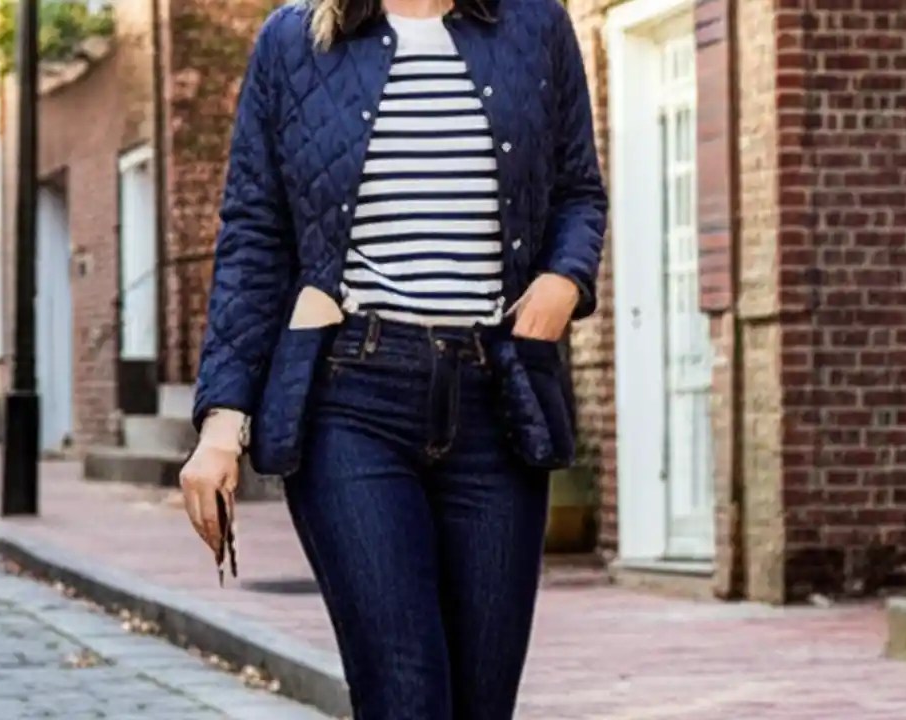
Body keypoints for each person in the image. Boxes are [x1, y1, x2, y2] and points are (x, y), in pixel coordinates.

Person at [178, 0, 606, 715]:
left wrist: (566, 278)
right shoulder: (294, 42)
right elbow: (254, 235)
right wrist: (223, 422)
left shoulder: (536, 25)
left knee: (482, 701)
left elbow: (578, 191)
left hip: (496, 401)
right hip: (352, 401)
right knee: (405, 695)